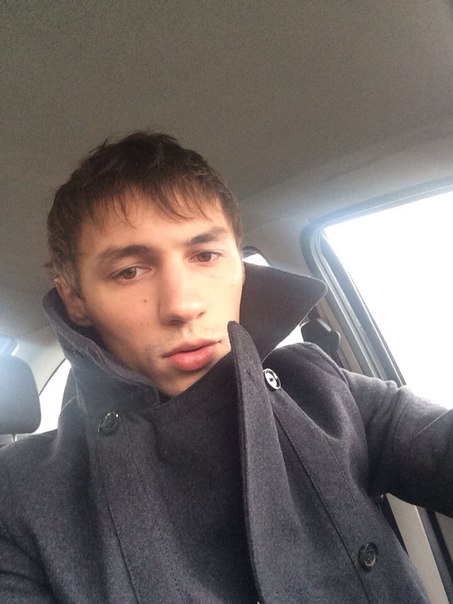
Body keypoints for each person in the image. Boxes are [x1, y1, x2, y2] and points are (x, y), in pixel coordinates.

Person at [0, 131, 451, 604]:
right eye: (130, 271)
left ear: (240, 266)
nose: (182, 306)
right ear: (75, 300)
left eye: (205, 255)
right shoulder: (19, 497)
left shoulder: (322, 388)